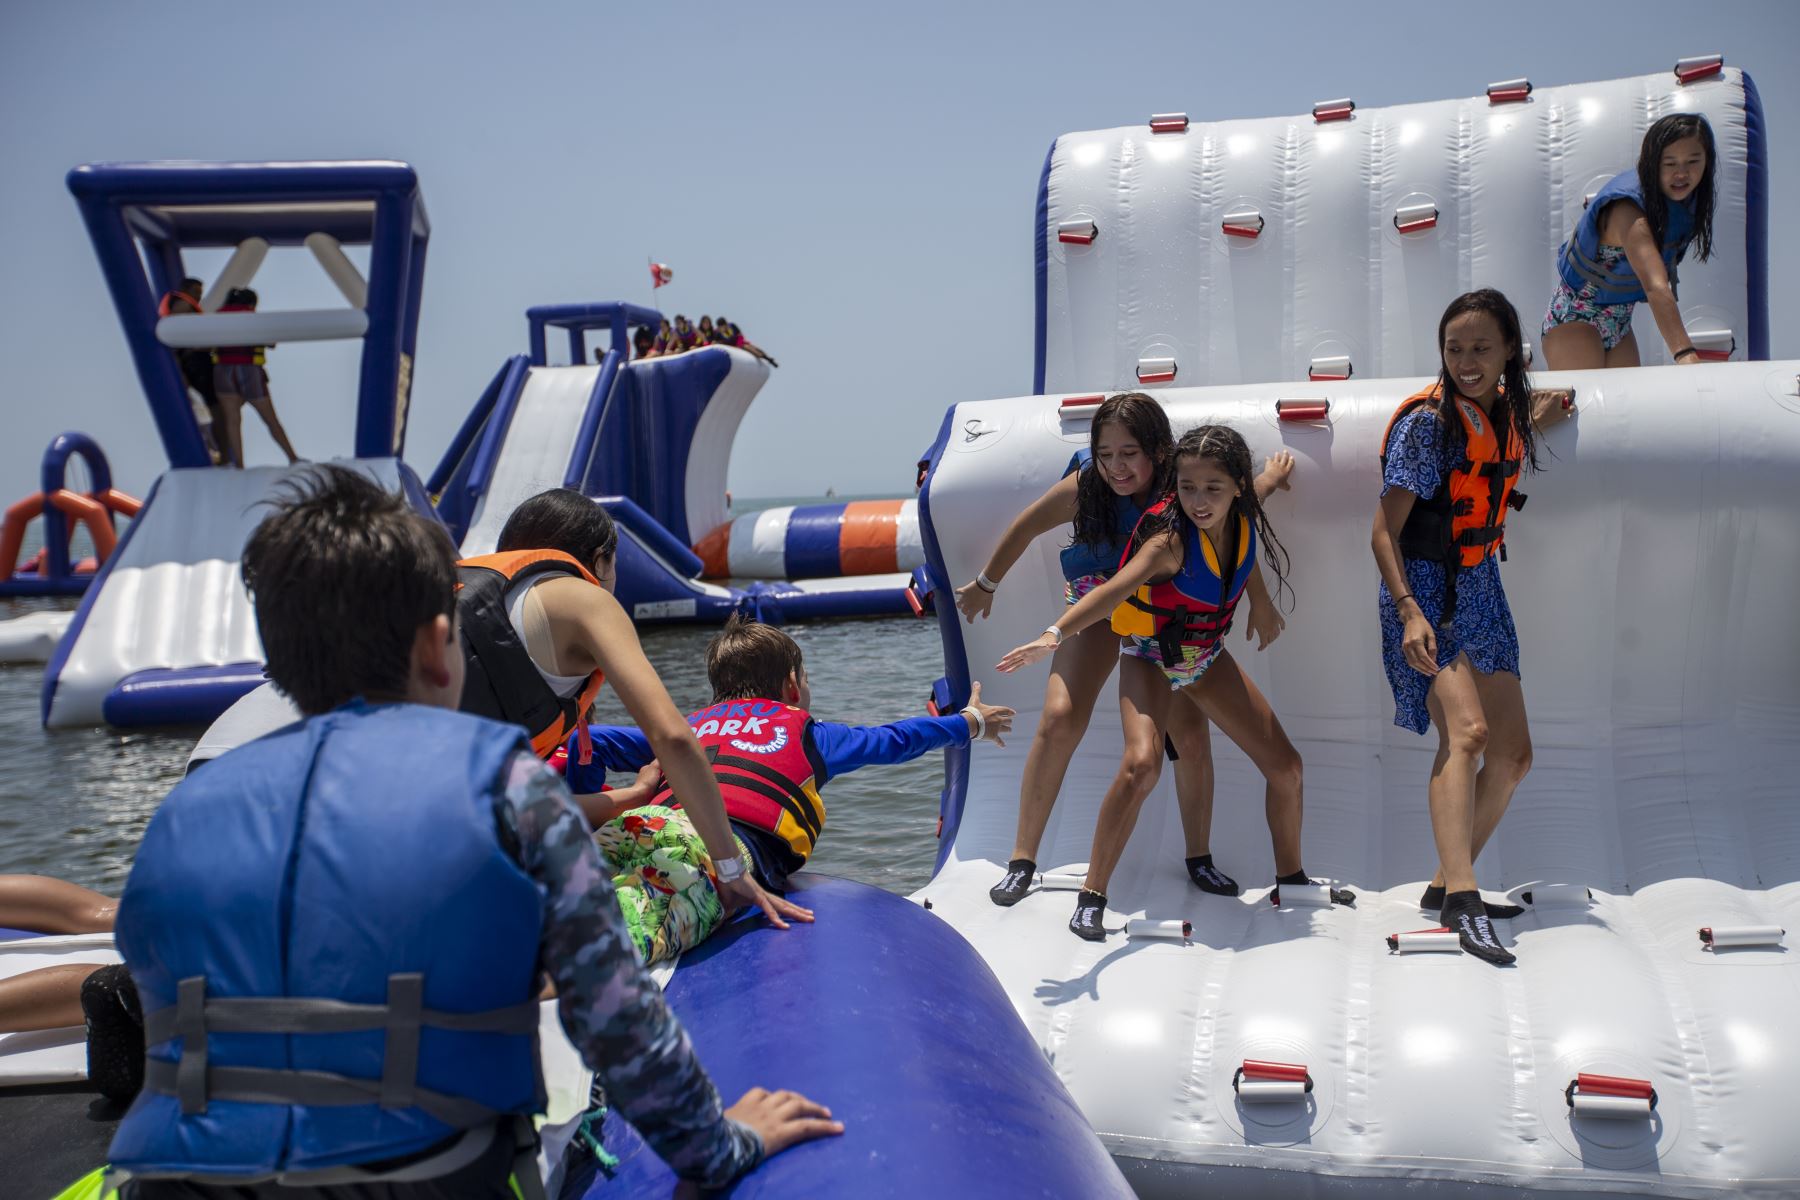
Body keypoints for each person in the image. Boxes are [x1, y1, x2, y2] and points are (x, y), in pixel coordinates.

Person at [104, 466, 840, 1198]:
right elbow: (618, 1020)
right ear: (438, 645)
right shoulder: (504, 785)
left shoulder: (182, 816)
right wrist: (727, 1143)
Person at [998, 424, 1339, 942]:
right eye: (1187, 487)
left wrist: (1274, 476)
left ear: (1237, 488)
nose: (1199, 501)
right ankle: (1092, 896)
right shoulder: (1168, 542)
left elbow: (1261, 492)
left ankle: (1290, 881)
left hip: (1204, 657)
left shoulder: (1243, 511)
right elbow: (1114, 590)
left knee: (1287, 767)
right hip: (1150, 657)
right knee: (1142, 766)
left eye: (1213, 488)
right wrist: (1053, 635)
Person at [958, 394, 1293, 909]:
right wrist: (986, 584)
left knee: (1189, 736)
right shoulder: (1087, 485)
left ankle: (1199, 857)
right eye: (1105, 453)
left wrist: (1262, 595)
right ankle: (1022, 859)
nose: (1116, 466)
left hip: (1159, 616)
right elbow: (1027, 524)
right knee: (1060, 717)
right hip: (1097, 598)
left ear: (1158, 451)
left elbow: (1234, 530)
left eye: (1129, 453)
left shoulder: (1185, 485)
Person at [563, 616, 1015, 964]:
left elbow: (590, 741)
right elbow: (895, 739)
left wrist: (605, 796)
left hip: (638, 825)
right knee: (603, 953)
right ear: (793, 687)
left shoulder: (685, 730)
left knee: (561, 901)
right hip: (707, 854)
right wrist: (969, 723)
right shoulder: (809, 735)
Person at [456, 488, 809, 933]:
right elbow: (674, 738)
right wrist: (731, 869)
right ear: (600, 560)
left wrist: (634, 795)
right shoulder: (585, 598)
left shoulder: (466, 591)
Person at [1371, 288, 1574, 966]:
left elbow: (1494, 451)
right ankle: (1463, 898)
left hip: (1481, 586)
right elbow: (1381, 533)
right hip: (1424, 593)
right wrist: (1409, 612)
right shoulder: (1425, 427)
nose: (1466, 361)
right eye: (1454, 348)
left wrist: (1538, 417)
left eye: (1482, 348)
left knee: (1513, 755)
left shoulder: (1505, 413)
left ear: (1510, 350)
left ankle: (1442, 885)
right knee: (1468, 734)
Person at [1542, 113, 1718, 369]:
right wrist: (1686, 354)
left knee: (1625, 397)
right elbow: (1655, 286)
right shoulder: (1629, 212)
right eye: (1670, 163)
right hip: (1575, 320)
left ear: (1707, 161)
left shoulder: (1684, 205)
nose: (1682, 173)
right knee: (1587, 396)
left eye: (1693, 161)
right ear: (1651, 163)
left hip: (1619, 323)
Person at [211, 287, 301, 467]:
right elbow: (271, 341)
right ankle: (292, 458)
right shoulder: (252, 317)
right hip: (249, 370)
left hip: (222, 371)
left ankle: (239, 465)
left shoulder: (215, 318)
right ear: (251, 303)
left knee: (232, 420)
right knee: (270, 419)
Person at [156, 278, 224, 464]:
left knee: (205, 410)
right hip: (194, 363)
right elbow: (182, 335)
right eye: (195, 291)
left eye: (200, 292)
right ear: (185, 289)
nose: (198, 296)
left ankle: (215, 449)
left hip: (190, 362)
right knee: (216, 407)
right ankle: (220, 451)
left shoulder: (178, 304)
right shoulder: (182, 304)